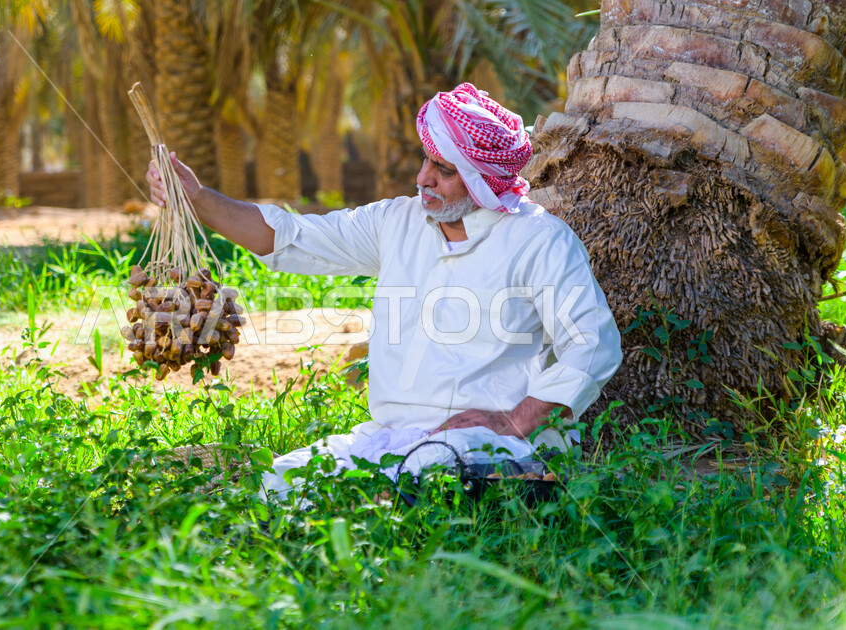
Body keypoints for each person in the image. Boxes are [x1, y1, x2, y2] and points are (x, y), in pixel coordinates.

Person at [147, 83, 622, 501]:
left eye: (443, 169)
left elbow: (592, 345)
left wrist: (513, 423)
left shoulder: (539, 239)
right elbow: (290, 237)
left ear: (481, 181)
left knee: (432, 472)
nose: (422, 178)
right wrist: (198, 198)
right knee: (282, 482)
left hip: (495, 446)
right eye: (426, 161)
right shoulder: (399, 221)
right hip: (392, 437)